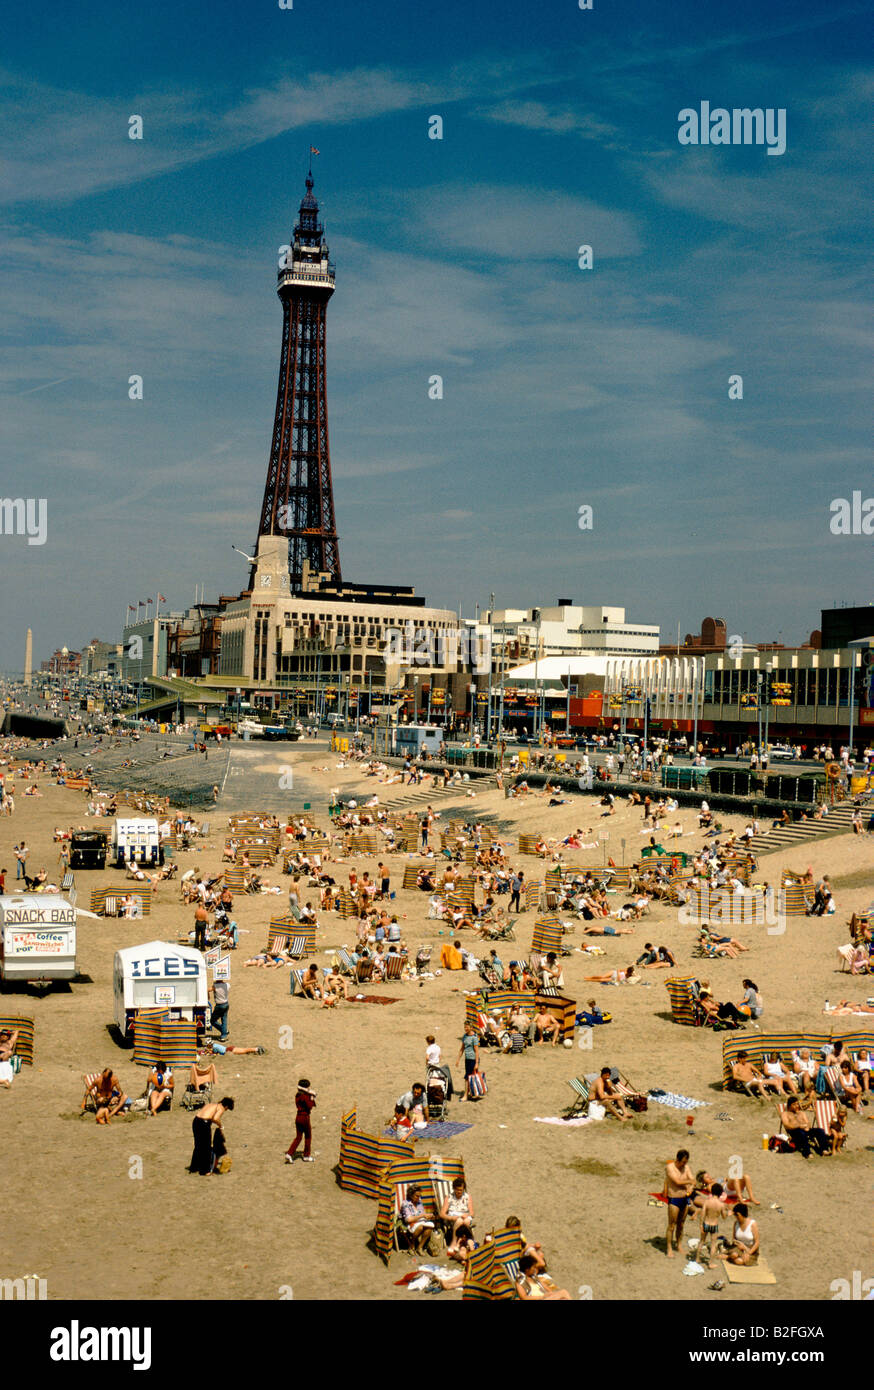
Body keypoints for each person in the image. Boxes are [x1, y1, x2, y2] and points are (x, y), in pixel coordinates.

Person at [189, 1096, 234, 1175]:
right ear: (226, 1106)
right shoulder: (221, 1108)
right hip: (204, 1124)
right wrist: (220, 1126)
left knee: (198, 1146)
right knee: (206, 1147)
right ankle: (205, 1171)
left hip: (196, 1121)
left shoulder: (211, 1104)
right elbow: (215, 1118)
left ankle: (194, 1167)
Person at [664, 1149, 695, 1258]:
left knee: (681, 1224)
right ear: (678, 1159)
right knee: (672, 1225)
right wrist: (689, 1182)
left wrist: (691, 1187)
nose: (684, 1164)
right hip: (674, 1198)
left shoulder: (686, 1167)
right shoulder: (670, 1168)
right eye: (683, 1162)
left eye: (686, 1162)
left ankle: (679, 1245)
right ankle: (669, 1248)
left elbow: (692, 1179)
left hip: (684, 1198)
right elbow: (677, 1181)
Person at [697, 1183, 730, 1269]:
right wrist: (728, 1213)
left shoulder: (707, 1202)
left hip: (706, 1223)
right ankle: (710, 1263)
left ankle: (697, 1258)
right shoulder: (721, 1204)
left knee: (701, 1241)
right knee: (713, 1244)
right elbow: (724, 1217)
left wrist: (701, 1224)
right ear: (720, 1193)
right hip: (714, 1225)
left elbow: (702, 1214)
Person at [285, 1079, 316, 1162]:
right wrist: (312, 1097)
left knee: (298, 1137)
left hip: (298, 1117)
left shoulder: (298, 1095)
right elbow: (309, 1106)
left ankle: (289, 1153)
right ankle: (306, 1155)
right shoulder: (305, 1096)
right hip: (305, 1117)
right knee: (308, 1136)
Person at [400, 1185, 435, 1254]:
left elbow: (423, 1214)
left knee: (430, 1227)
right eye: (417, 1196)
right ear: (410, 1195)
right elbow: (408, 1219)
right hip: (411, 1223)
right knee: (420, 1227)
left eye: (419, 1196)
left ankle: (419, 1247)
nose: (418, 1198)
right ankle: (412, 1245)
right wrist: (422, 1215)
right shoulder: (405, 1204)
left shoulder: (419, 1202)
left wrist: (428, 1216)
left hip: (421, 1222)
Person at [457, 1029, 480, 1099]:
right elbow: (462, 1048)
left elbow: (476, 1051)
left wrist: (476, 1063)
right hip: (467, 1059)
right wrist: (458, 1059)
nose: (465, 1029)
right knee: (471, 1076)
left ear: (471, 1027)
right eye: (465, 1027)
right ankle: (473, 1093)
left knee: (468, 1077)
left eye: (467, 1027)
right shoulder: (465, 1036)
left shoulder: (474, 1037)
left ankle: (466, 1095)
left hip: (473, 1059)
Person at [210, 974, 230, 1040]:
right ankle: (224, 1034)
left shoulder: (215, 986)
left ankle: (223, 1031)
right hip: (226, 1003)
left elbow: (209, 989)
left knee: (212, 1021)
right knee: (224, 1019)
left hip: (219, 1005)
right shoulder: (227, 985)